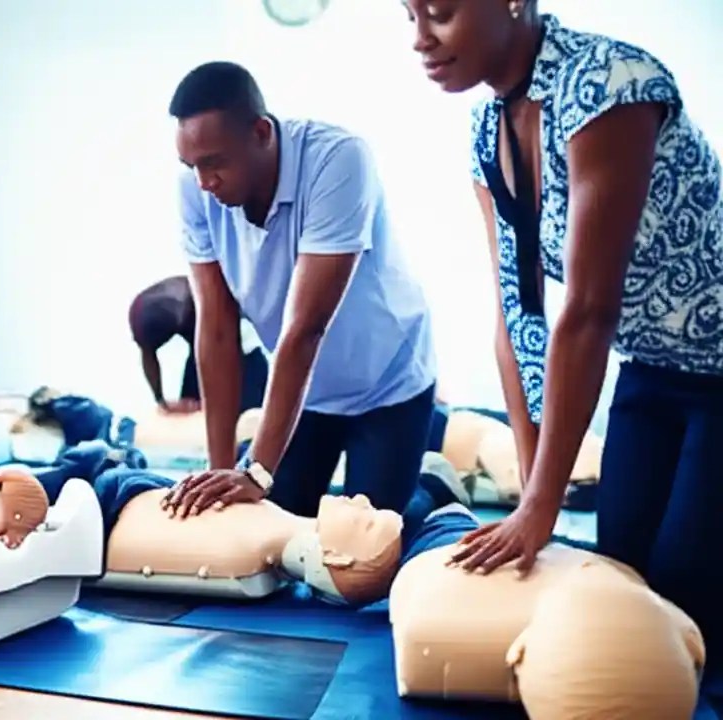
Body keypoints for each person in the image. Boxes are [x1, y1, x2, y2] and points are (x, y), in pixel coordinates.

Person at [402, 0, 723, 662]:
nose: (420, 39)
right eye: (407, 17)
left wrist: (544, 505)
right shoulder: (489, 132)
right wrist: (529, 497)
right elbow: (518, 316)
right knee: (624, 577)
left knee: (689, 596)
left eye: (437, 11)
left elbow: (587, 310)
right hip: (651, 370)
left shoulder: (610, 85)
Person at [160, 61, 438, 520]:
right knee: (272, 525)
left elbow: (305, 328)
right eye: (192, 166)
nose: (205, 183)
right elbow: (216, 331)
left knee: (361, 544)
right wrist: (221, 471)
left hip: (387, 384)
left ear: (262, 133)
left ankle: (428, 488)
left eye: (215, 163)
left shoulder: (339, 160)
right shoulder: (196, 190)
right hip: (307, 393)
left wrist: (258, 472)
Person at [128, 275, 269, 414]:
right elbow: (148, 358)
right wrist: (161, 401)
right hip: (202, 339)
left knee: (244, 410)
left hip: (241, 347)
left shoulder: (199, 301)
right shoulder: (146, 318)